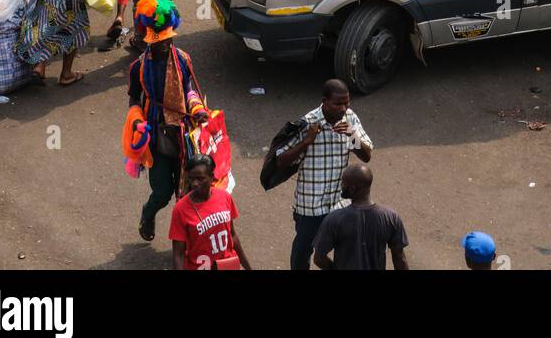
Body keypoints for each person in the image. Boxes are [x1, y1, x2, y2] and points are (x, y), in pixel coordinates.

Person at [127, 0, 209, 241]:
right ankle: (148, 213)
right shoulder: (138, 67)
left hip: (185, 137)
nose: (165, 45)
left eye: (168, 40)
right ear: (149, 41)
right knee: (162, 192)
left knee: (187, 193)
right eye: (160, 42)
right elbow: (133, 98)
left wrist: (197, 110)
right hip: (155, 137)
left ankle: (185, 242)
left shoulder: (183, 59)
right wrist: (136, 120)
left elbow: (190, 90)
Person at [274, 79, 372, 271]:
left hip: (339, 203)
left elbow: (367, 156)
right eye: (338, 104)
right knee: (302, 253)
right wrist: (306, 142)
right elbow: (280, 160)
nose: (343, 108)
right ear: (324, 101)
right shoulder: (309, 122)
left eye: (347, 103)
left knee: (346, 249)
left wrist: (352, 135)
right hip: (310, 207)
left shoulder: (350, 119)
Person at [313, 164, 409, 272]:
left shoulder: (334, 219)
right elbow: (400, 260)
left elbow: (319, 259)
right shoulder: (391, 217)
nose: (341, 186)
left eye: (343, 183)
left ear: (352, 189)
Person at [169, 154, 251, 271]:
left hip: (227, 265)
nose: (195, 183)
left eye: (200, 179)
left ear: (211, 177)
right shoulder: (180, 210)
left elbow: (232, 235)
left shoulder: (225, 197)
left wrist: (248, 266)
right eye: (191, 178)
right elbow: (178, 254)